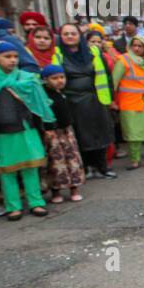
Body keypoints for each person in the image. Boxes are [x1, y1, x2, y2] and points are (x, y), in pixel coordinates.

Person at [0, 40, 52, 221]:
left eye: (15, 56)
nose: (13, 60)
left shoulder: (26, 79)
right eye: (7, 57)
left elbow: (41, 105)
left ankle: (36, 202)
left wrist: (47, 127)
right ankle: (13, 206)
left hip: (27, 130)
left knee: (31, 168)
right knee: (7, 171)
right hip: (2, 134)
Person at [54, 23, 117, 181]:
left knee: (101, 133)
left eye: (73, 33)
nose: (70, 36)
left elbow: (106, 75)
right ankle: (86, 167)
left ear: (79, 35)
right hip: (72, 101)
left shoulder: (93, 51)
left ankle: (103, 168)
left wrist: (109, 97)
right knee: (81, 135)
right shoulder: (57, 54)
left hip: (95, 98)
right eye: (66, 34)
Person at [112, 35, 144, 168]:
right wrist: (111, 100)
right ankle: (135, 160)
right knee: (133, 133)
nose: (136, 48)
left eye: (139, 46)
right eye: (134, 45)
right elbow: (114, 81)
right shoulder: (123, 60)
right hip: (130, 103)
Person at [38, 65, 85, 203]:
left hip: (67, 132)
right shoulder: (43, 96)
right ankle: (56, 191)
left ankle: (74, 189)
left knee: (73, 160)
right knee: (55, 162)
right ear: (45, 80)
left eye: (62, 77)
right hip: (52, 133)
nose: (59, 81)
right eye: (54, 78)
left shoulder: (64, 93)